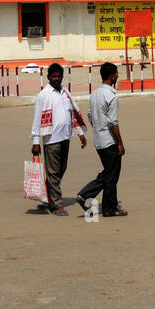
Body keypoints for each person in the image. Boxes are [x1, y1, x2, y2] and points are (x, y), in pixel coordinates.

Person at [29, 63, 87, 215]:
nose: (56, 79)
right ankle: (57, 205)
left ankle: (47, 198)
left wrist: (80, 133)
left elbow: (72, 114)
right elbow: (37, 119)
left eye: (59, 76)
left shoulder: (65, 92)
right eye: (53, 76)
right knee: (53, 172)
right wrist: (36, 142)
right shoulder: (43, 95)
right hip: (51, 139)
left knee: (61, 169)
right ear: (48, 77)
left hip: (65, 137)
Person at [76, 62, 127, 217]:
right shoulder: (111, 96)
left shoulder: (96, 94)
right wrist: (120, 142)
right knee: (111, 175)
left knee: (109, 173)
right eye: (117, 74)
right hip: (109, 141)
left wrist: (98, 127)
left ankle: (108, 206)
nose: (118, 76)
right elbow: (113, 122)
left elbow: (90, 115)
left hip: (98, 141)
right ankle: (89, 196)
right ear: (112, 76)